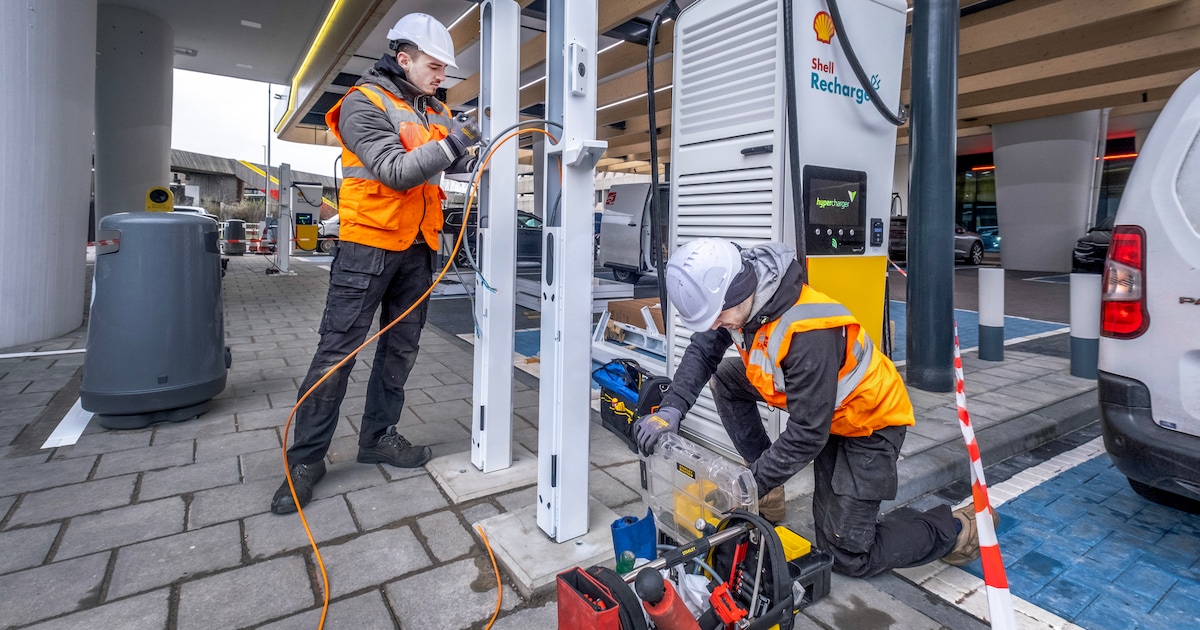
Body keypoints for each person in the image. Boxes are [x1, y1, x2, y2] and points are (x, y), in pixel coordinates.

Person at [634, 238, 990, 577]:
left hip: (867, 423)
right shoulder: (740, 303)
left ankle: (959, 528)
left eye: (717, 316)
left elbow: (806, 435)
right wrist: (671, 410)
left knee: (849, 555)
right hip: (823, 411)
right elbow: (702, 350)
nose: (715, 326)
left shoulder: (807, 333)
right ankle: (769, 493)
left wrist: (746, 485)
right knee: (727, 379)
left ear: (740, 291)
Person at [271, 13, 482, 514]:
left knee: (401, 350)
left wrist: (480, 141)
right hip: (368, 246)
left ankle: (378, 437)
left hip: (417, 246)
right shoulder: (360, 105)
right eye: (434, 67)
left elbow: (456, 160)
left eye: (445, 71)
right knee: (337, 353)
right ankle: (304, 460)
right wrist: (458, 139)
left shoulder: (431, 111)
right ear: (403, 58)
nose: (441, 78)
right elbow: (395, 170)